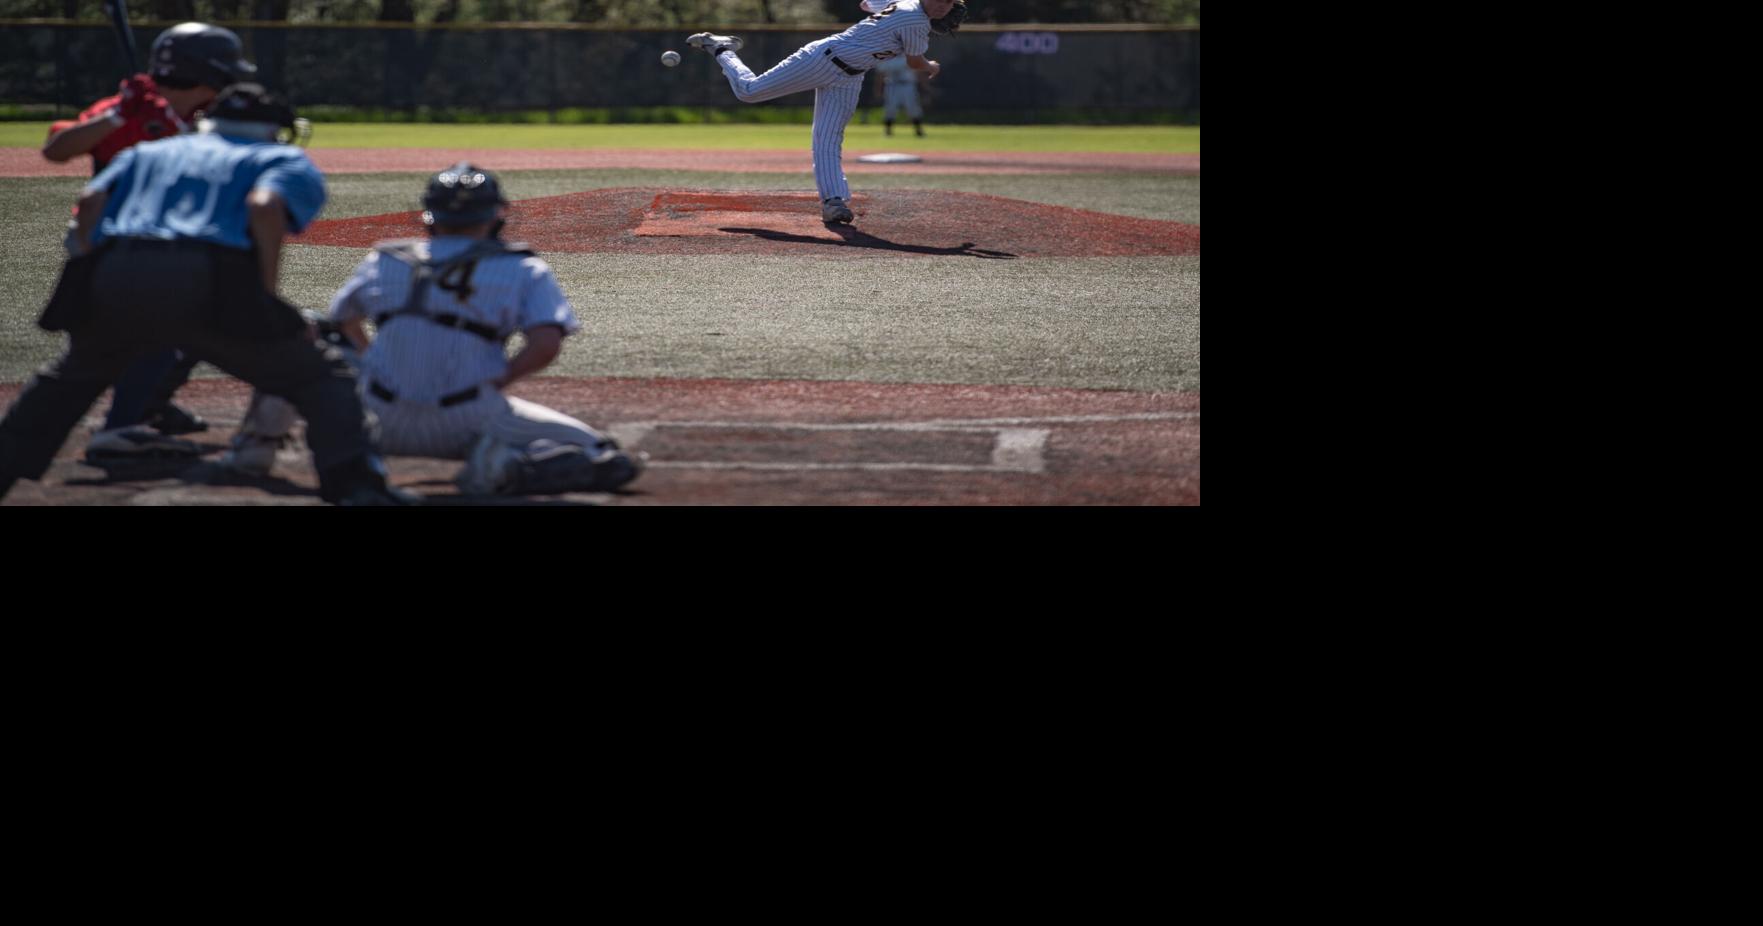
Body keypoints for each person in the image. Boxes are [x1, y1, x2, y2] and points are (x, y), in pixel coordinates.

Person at [0, 84, 411, 506]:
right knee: (320, 377)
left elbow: (89, 202)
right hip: (207, 277)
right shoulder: (280, 157)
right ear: (274, 129)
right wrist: (264, 298)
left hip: (113, 271)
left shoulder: (148, 152)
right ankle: (357, 487)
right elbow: (265, 206)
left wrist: (97, 268)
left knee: (64, 383)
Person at [221, 162, 644, 498]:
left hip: (374, 418)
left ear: (429, 215)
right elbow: (545, 344)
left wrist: (370, 361)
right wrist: (502, 380)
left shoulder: (385, 259)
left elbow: (340, 321)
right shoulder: (522, 267)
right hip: (470, 419)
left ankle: (256, 446)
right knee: (604, 457)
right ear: (496, 216)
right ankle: (503, 469)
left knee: (304, 335)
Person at [42, 22, 261, 459]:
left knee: (189, 327)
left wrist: (179, 132)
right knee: (129, 340)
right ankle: (118, 424)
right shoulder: (126, 109)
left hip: (167, 244)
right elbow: (57, 150)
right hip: (105, 240)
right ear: (206, 70)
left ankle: (147, 406)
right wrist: (120, 115)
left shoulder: (210, 117)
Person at [687, 0, 965, 224]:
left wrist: (878, 15)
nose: (944, 7)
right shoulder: (915, 20)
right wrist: (932, 66)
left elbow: (867, 3)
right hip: (822, 59)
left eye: (949, 2)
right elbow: (916, 63)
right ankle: (721, 47)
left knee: (828, 137)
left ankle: (834, 202)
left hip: (851, 75)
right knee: (749, 91)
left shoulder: (902, 4)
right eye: (940, 0)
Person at [874, 54, 926, 137]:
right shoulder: (887, 57)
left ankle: (918, 131)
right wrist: (878, 90)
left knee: (912, 108)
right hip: (892, 85)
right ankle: (888, 132)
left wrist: (923, 86)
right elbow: (880, 75)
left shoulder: (909, 56)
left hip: (908, 85)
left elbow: (918, 72)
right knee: (890, 108)